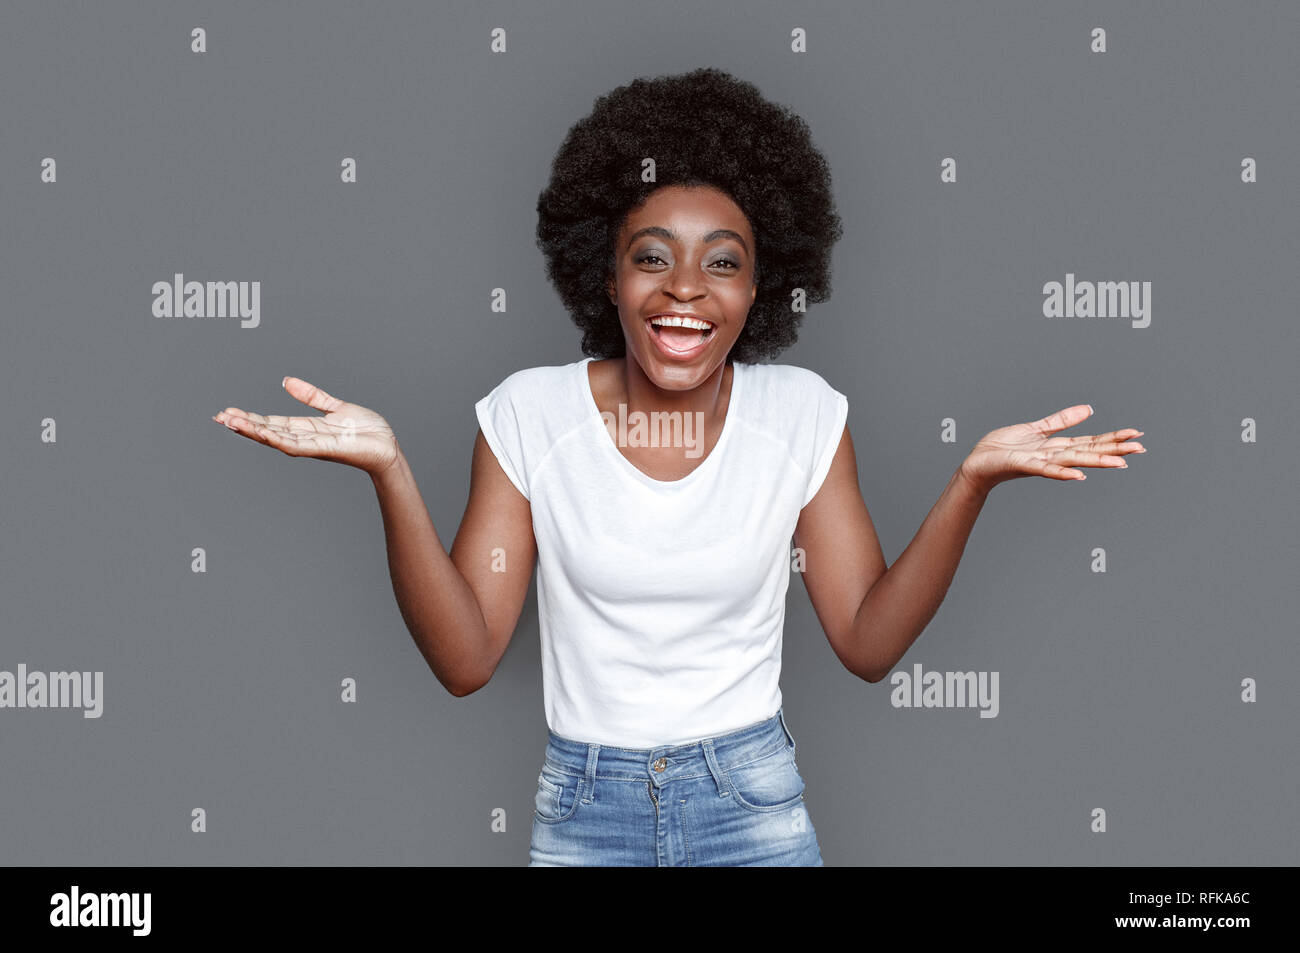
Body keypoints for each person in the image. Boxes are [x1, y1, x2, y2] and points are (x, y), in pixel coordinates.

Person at [211, 68, 1144, 866]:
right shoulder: (528, 413)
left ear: (760, 287)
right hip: (584, 813)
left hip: (752, 807)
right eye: (651, 258)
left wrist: (970, 482)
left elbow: (866, 643)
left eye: (724, 263)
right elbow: (465, 661)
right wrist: (391, 474)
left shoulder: (803, 415)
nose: (686, 290)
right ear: (604, 273)